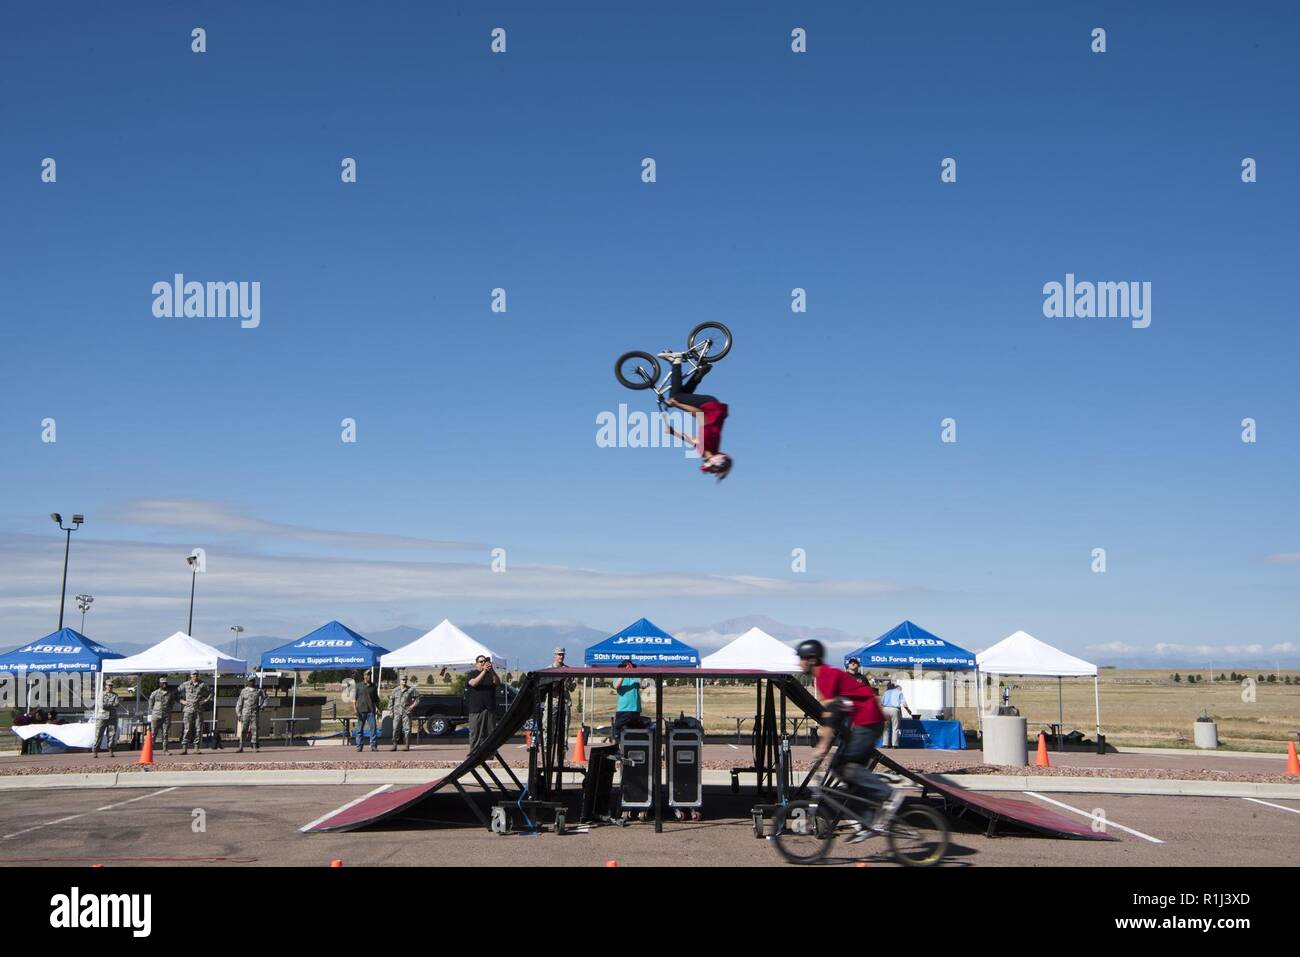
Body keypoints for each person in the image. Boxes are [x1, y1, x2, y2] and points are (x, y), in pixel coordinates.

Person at [796, 639, 897, 839]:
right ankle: (867, 821)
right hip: (862, 722)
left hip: (868, 720)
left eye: (801, 659)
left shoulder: (825, 675)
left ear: (812, 659)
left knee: (846, 767)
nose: (799, 663)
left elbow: (832, 714)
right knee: (843, 770)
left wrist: (823, 745)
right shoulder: (824, 676)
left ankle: (887, 794)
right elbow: (835, 712)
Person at [659, 356, 732, 481]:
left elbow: (691, 439)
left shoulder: (704, 450)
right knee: (676, 397)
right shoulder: (708, 443)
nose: (705, 465)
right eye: (710, 467)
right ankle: (676, 360)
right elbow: (699, 414)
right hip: (710, 406)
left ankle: (699, 373)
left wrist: (673, 432)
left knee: (683, 395)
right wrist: (678, 405)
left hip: (711, 408)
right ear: (712, 460)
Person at [542, 647, 576, 762]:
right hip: (552, 700)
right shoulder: (549, 669)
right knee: (547, 726)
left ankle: (562, 754)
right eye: (559, 654)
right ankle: (547, 752)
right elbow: (544, 686)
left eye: (562, 654)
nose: (561, 656)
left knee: (564, 728)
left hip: (565, 700)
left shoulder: (568, 669)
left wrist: (571, 679)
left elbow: (572, 688)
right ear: (555, 655)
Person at [465, 656, 499, 754]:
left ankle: (490, 754)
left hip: (489, 708)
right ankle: (474, 754)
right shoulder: (472, 674)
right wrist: (483, 672)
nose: (483, 663)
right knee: (475, 733)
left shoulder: (490, 674)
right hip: (476, 709)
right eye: (481, 661)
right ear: (476, 664)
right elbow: (473, 683)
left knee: (490, 733)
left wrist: (491, 670)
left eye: (485, 661)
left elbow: (497, 682)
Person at [610, 660, 648, 742]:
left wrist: (639, 675)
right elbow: (616, 686)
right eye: (626, 667)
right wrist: (624, 673)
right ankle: (618, 747)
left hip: (635, 710)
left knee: (634, 731)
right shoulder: (617, 677)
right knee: (617, 730)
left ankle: (632, 748)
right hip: (623, 709)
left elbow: (643, 685)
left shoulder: (635, 677)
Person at [179, 670, 211, 755]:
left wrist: (205, 701)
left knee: (198, 729)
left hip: (198, 709)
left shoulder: (202, 684)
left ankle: (196, 748)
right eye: (193, 674)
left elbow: (211, 692)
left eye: (196, 674)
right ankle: (184, 748)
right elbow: (176, 693)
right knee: (187, 729)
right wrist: (182, 701)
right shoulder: (185, 684)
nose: (195, 676)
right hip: (188, 709)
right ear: (191, 675)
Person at [235, 677, 268, 753]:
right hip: (245, 713)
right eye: (250, 681)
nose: (251, 682)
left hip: (254, 712)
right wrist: (239, 714)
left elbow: (265, 698)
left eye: (253, 681)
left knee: (255, 729)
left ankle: (254, 746)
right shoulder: (244, 691)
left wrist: (262, 706)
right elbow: (239, 703)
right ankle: (241, 746)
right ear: (248, 682)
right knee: (244, 730)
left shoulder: (258, 690)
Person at [388, 674, 420, 752]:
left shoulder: (411, 690)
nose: (404, 681)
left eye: (405, 680)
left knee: (407, 729)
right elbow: (391, 701)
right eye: (403, 680)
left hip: (406, 713)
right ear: (400, 681)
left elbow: (417, 700)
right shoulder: (395, 690)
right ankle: (394, 745)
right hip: (397, 712)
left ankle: (407, 745)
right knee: (395, 729)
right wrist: (391, 711)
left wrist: (411, 707)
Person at [91, 679, 121, 758]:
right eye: (109, 686)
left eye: (111, 686)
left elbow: (117, 704)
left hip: (112, 717)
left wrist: (109, 705)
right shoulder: (101, 694)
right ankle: (95, 750)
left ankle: (111, 749)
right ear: (105, 686)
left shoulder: (115, 695)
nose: (110, 687)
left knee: (112, 734)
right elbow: (102, 705)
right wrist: (111, 704)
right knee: (98, 734)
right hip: (102, 717)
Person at [147, 678, 177, 754]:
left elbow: (172, 703)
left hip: (166, 716)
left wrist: (168, 710)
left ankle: (165, 750)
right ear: (159, 684)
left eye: (165, 683)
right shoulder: (155, 693)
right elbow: (150, 702)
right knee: (153, 733)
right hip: (156, 716)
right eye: (162, 683)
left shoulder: (170, 693)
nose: (164, 684)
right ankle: (149, 750)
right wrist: (154, 711)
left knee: (165, 733)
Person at [880, 680, 912, 748]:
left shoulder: (886, 692)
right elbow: (904, 703)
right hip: (895, 709)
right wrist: (908, 710)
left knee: (886, 728)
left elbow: (881, 703)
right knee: (895, 728)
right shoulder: (899, 692)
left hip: (885, 709)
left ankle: (885, 744)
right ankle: (895, 745)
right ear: (895, 686)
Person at [353, 672, 380, 752]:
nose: (368, 676)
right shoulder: (358, 686)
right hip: (361, 711)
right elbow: (354, 699)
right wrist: (355, 709)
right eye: (367, 675)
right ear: (364, 676)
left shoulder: (373, 686)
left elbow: (376, 700)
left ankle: (373, 746)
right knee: (359, 730)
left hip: (371, 711)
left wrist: (378, 709)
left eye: (370, 675)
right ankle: (359, 746)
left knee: (373, 729)